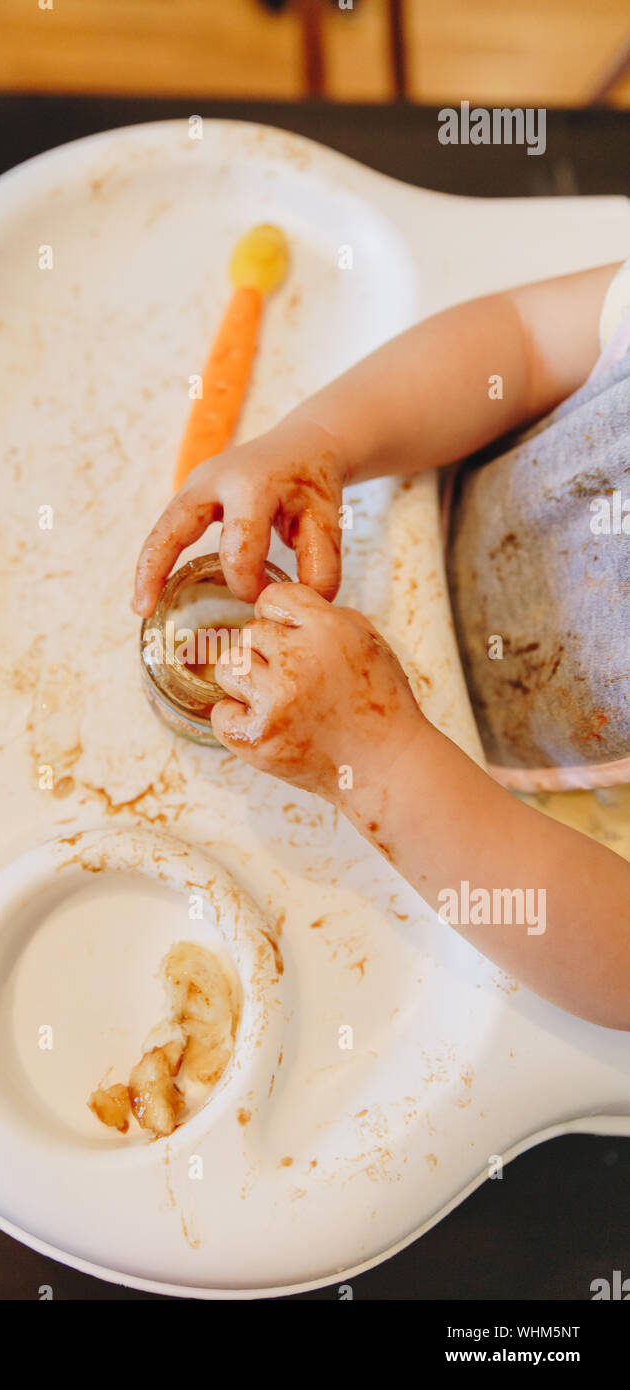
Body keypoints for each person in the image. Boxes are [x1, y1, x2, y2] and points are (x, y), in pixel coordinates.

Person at [132, 261, 630, 1030]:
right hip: (425, 523)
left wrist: (378, 761)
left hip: (506, 828)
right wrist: (322, 437)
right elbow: (524, 342)